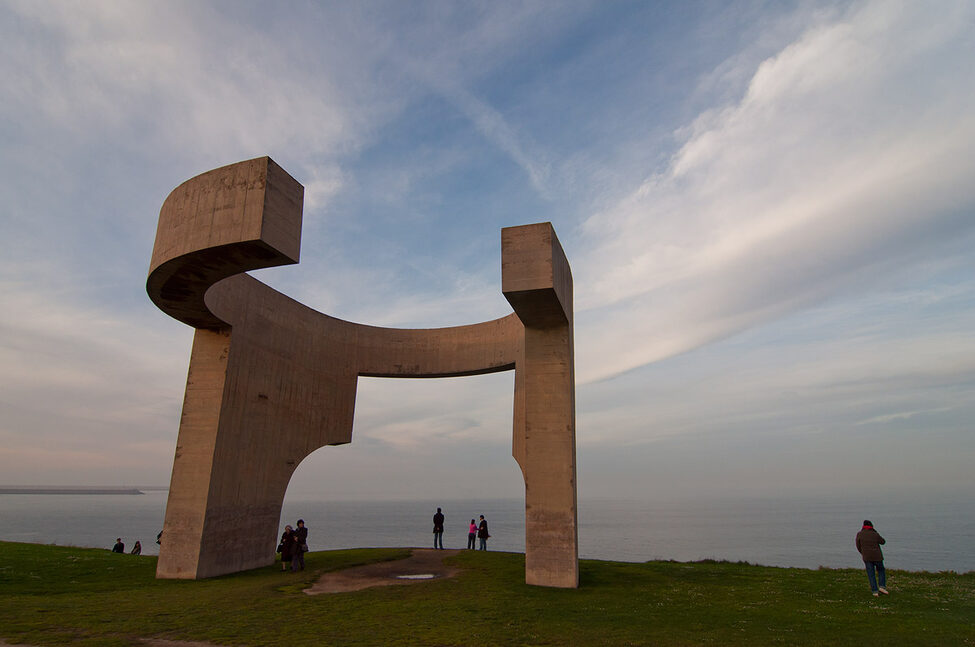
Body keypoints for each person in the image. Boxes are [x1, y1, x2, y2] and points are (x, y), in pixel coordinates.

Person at [855, 519, 889, 596]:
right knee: (881, 570)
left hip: (867, 557)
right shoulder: (874, 534)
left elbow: (858, 546)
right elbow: (883, 542)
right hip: (877, 556)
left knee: (871, 574)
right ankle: (882, 586)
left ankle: (875, 591)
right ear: (871, 526)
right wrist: (875, 532)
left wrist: (863, 553)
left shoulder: (859, 534)